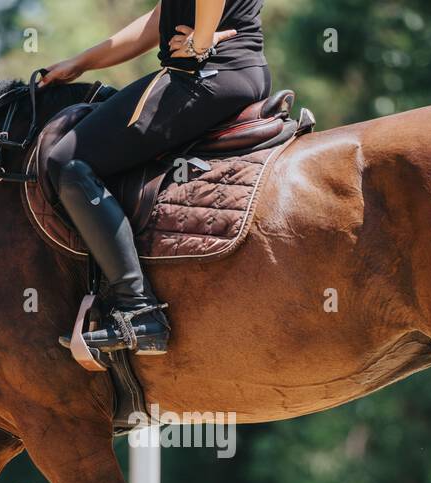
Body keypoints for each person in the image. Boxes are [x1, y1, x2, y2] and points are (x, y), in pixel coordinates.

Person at [42, 1, 270, 354]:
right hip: (219, 69)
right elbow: (160, 19)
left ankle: (137, 309)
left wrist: (202, 41)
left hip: (205, 72)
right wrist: (80, 62)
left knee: (67, 160)